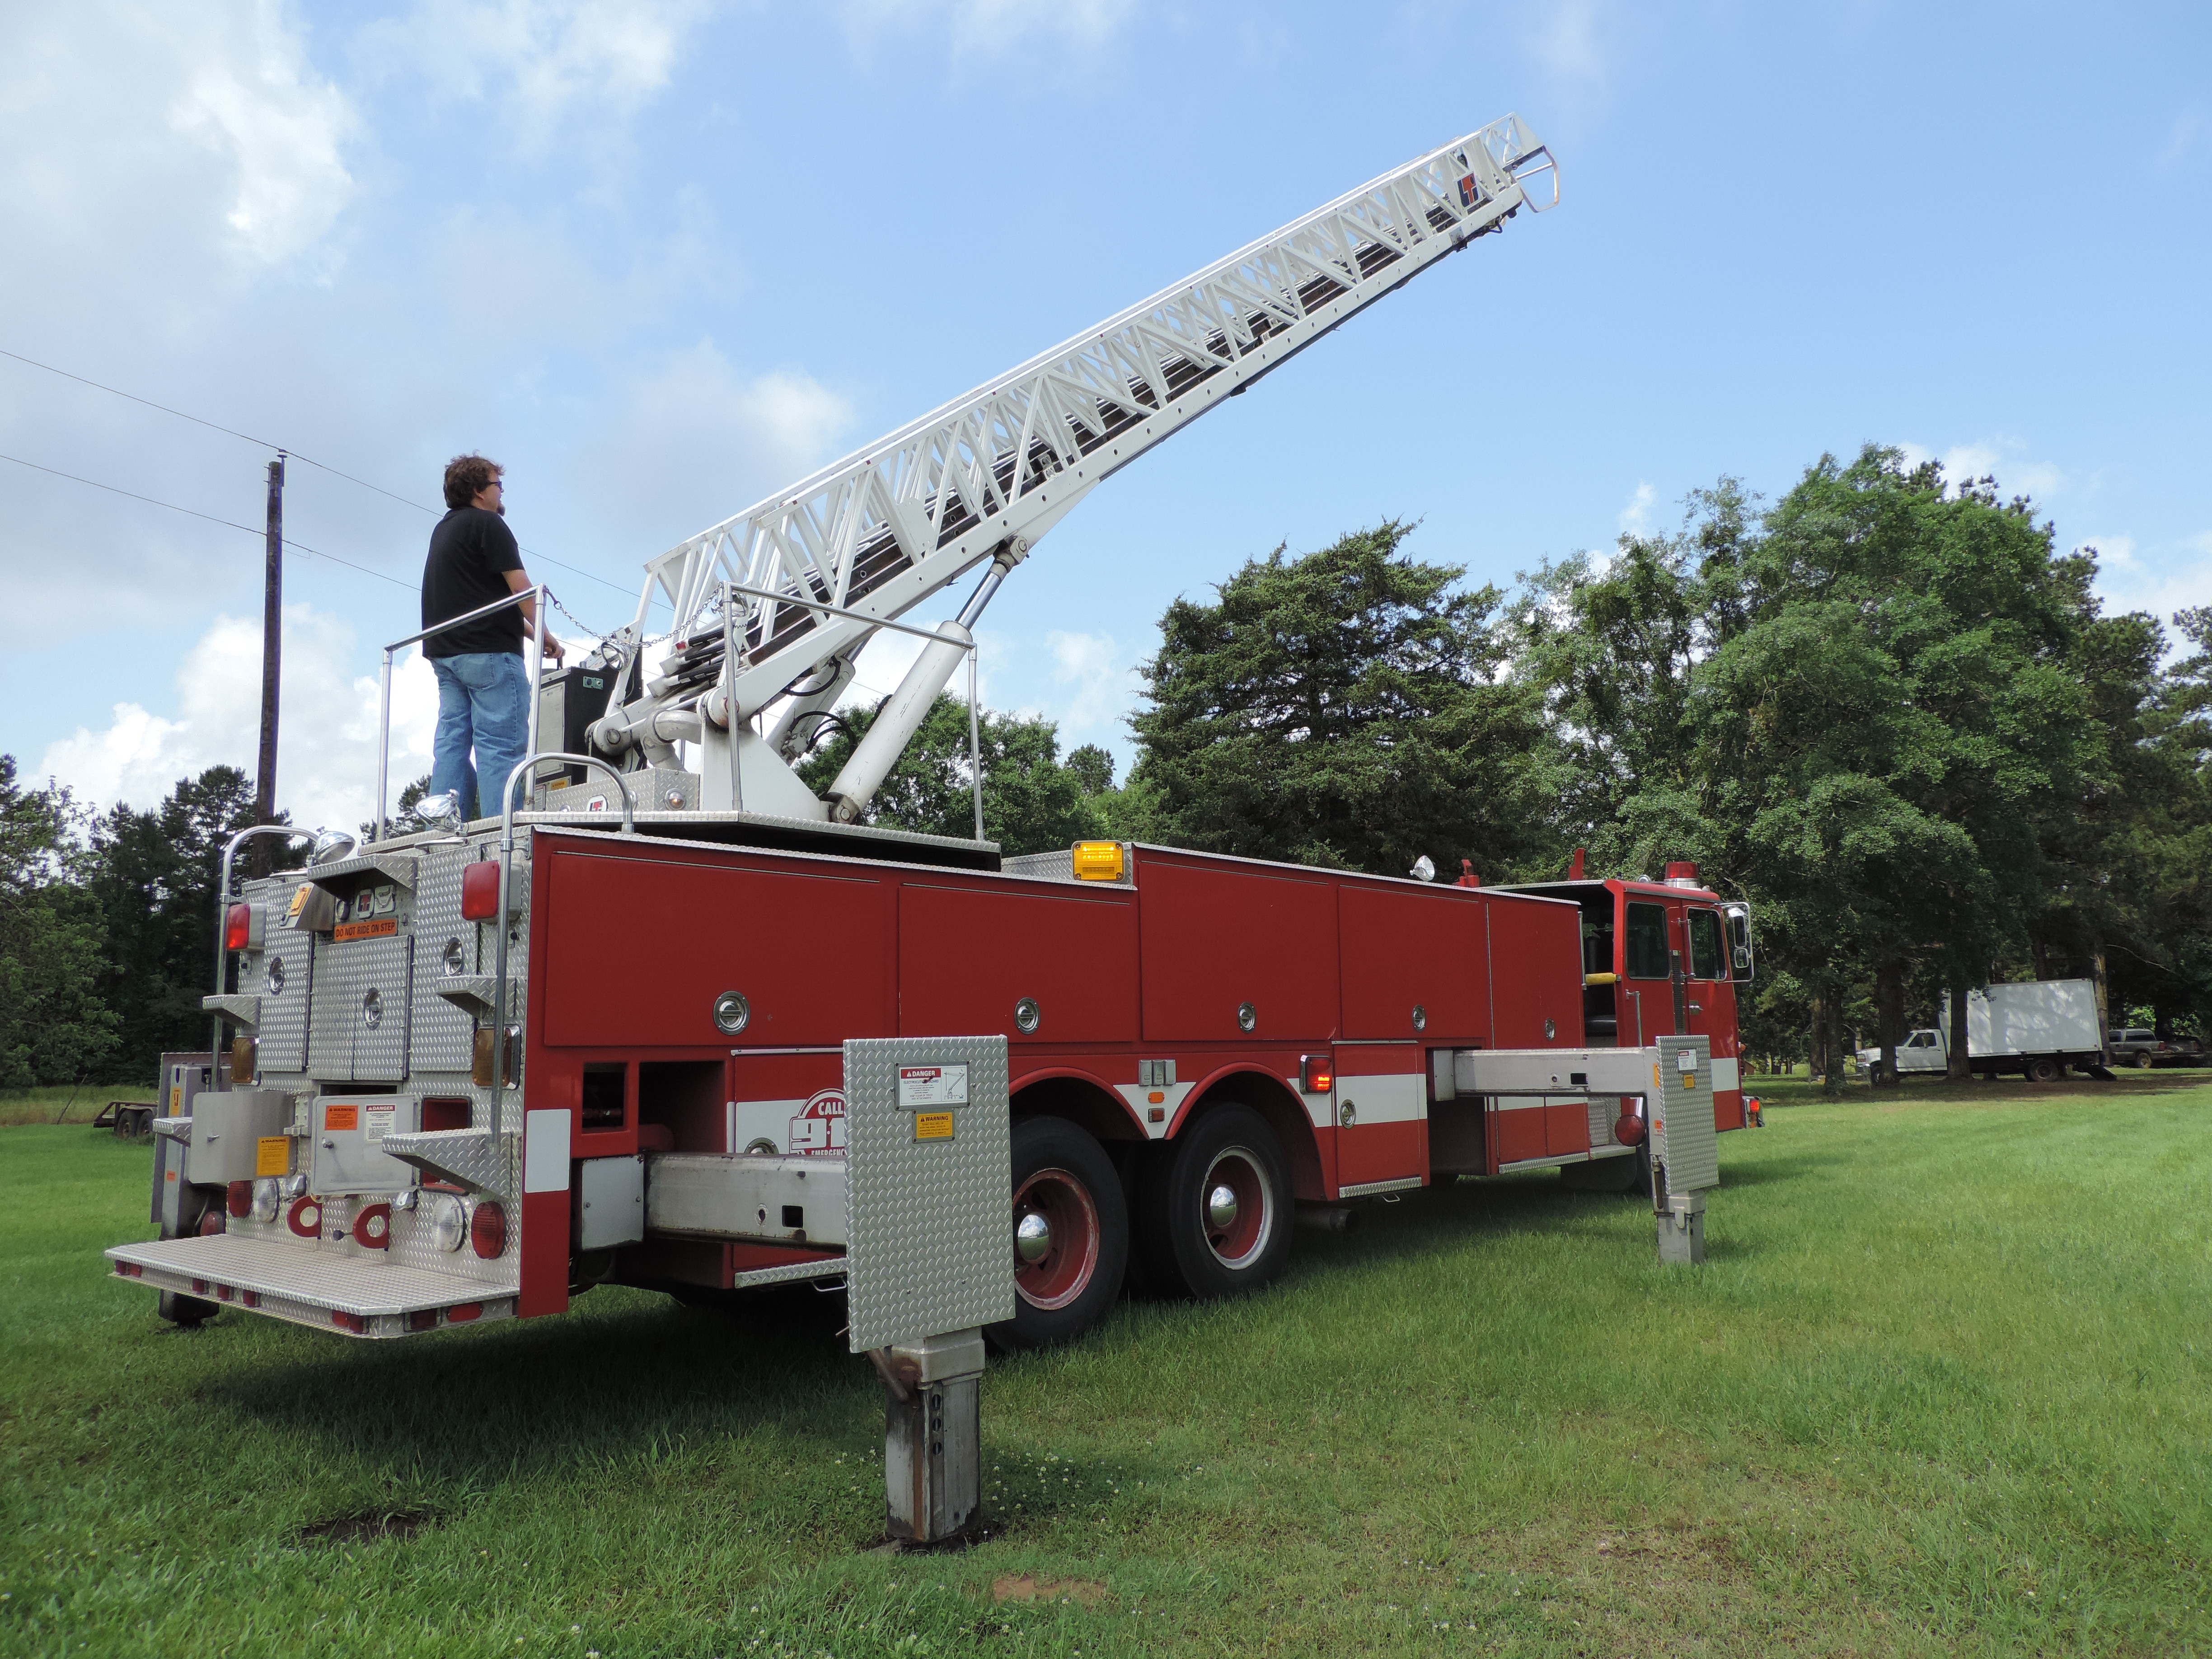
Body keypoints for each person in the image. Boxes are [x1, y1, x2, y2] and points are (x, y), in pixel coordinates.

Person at [422, 455, 563, 820]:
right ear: (478, 492)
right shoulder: (490, 524)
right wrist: (547, 631)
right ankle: (504, 830)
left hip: (447, 653)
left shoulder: (444, 530)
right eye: (497, 484)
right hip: (490, 656)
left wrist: (534, 635)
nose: (502, 491)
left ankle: (443, 822)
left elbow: (476, 599)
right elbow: (521, 591)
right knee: (500, 744)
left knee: (452, 741)